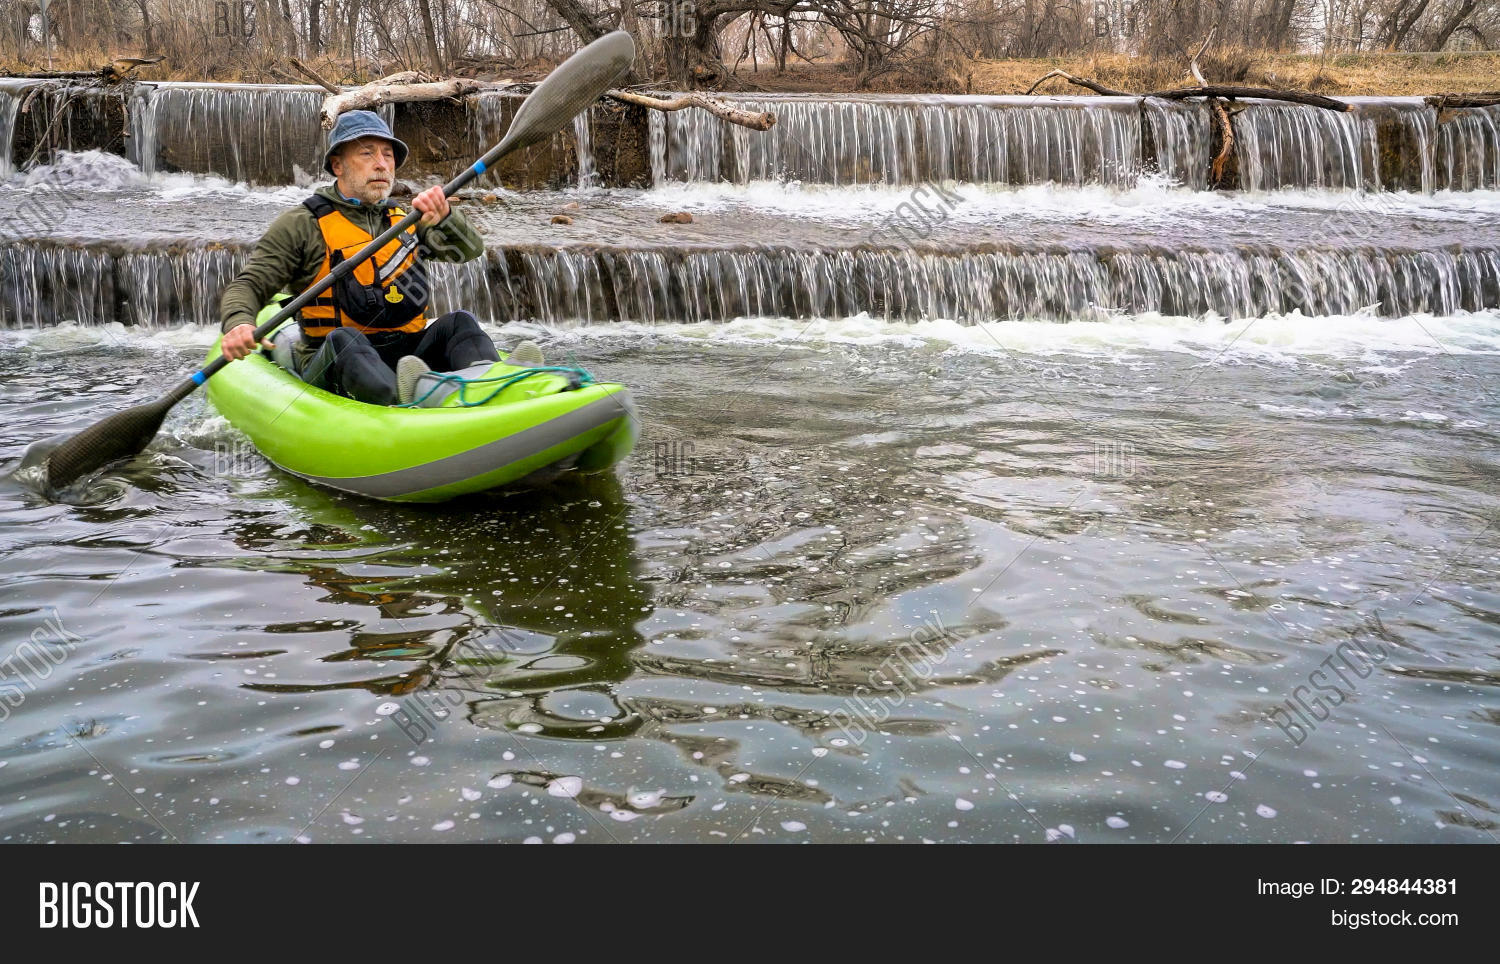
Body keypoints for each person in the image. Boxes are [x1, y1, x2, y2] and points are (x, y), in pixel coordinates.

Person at [217, 110, 540, 405]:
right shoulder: (302, 224)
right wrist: (239, 323)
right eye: (367, 153)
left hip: (407, 349)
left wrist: (445, 217)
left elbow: (470, 251)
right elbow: (249, 284)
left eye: (388, 155)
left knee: (459, 323)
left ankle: (496, 386)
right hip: (334, 359)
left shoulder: (407, 218)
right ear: (338, 165)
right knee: (345, 340)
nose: (382, 164)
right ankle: (415, 398)